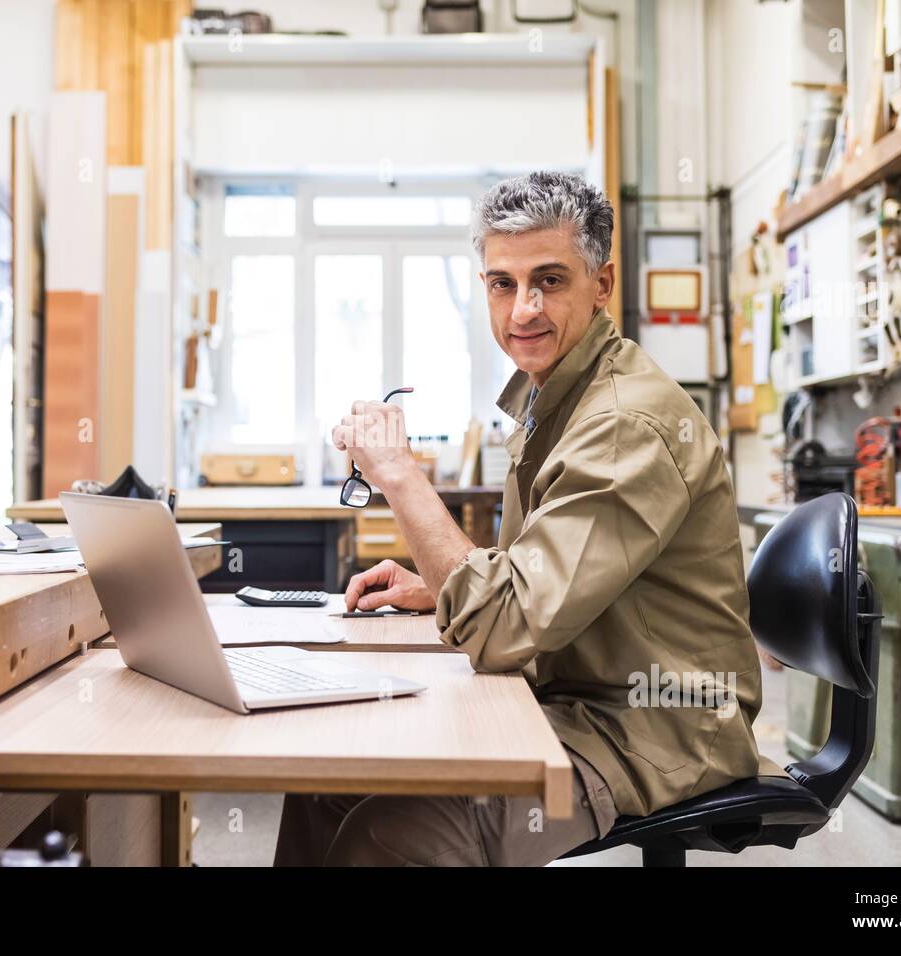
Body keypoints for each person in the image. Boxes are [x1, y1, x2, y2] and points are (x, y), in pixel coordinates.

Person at [274, 171, 764, 866]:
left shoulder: (623, 423)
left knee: (389, 836)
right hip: (571, 694)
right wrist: (442, 584)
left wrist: (399, 475)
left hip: (654, 724)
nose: (523, 309)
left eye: (550, 281)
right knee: (323, 781)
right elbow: (537, 579)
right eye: (503, 284)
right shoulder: (554, 397)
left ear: (602, 284)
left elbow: (505, 627)